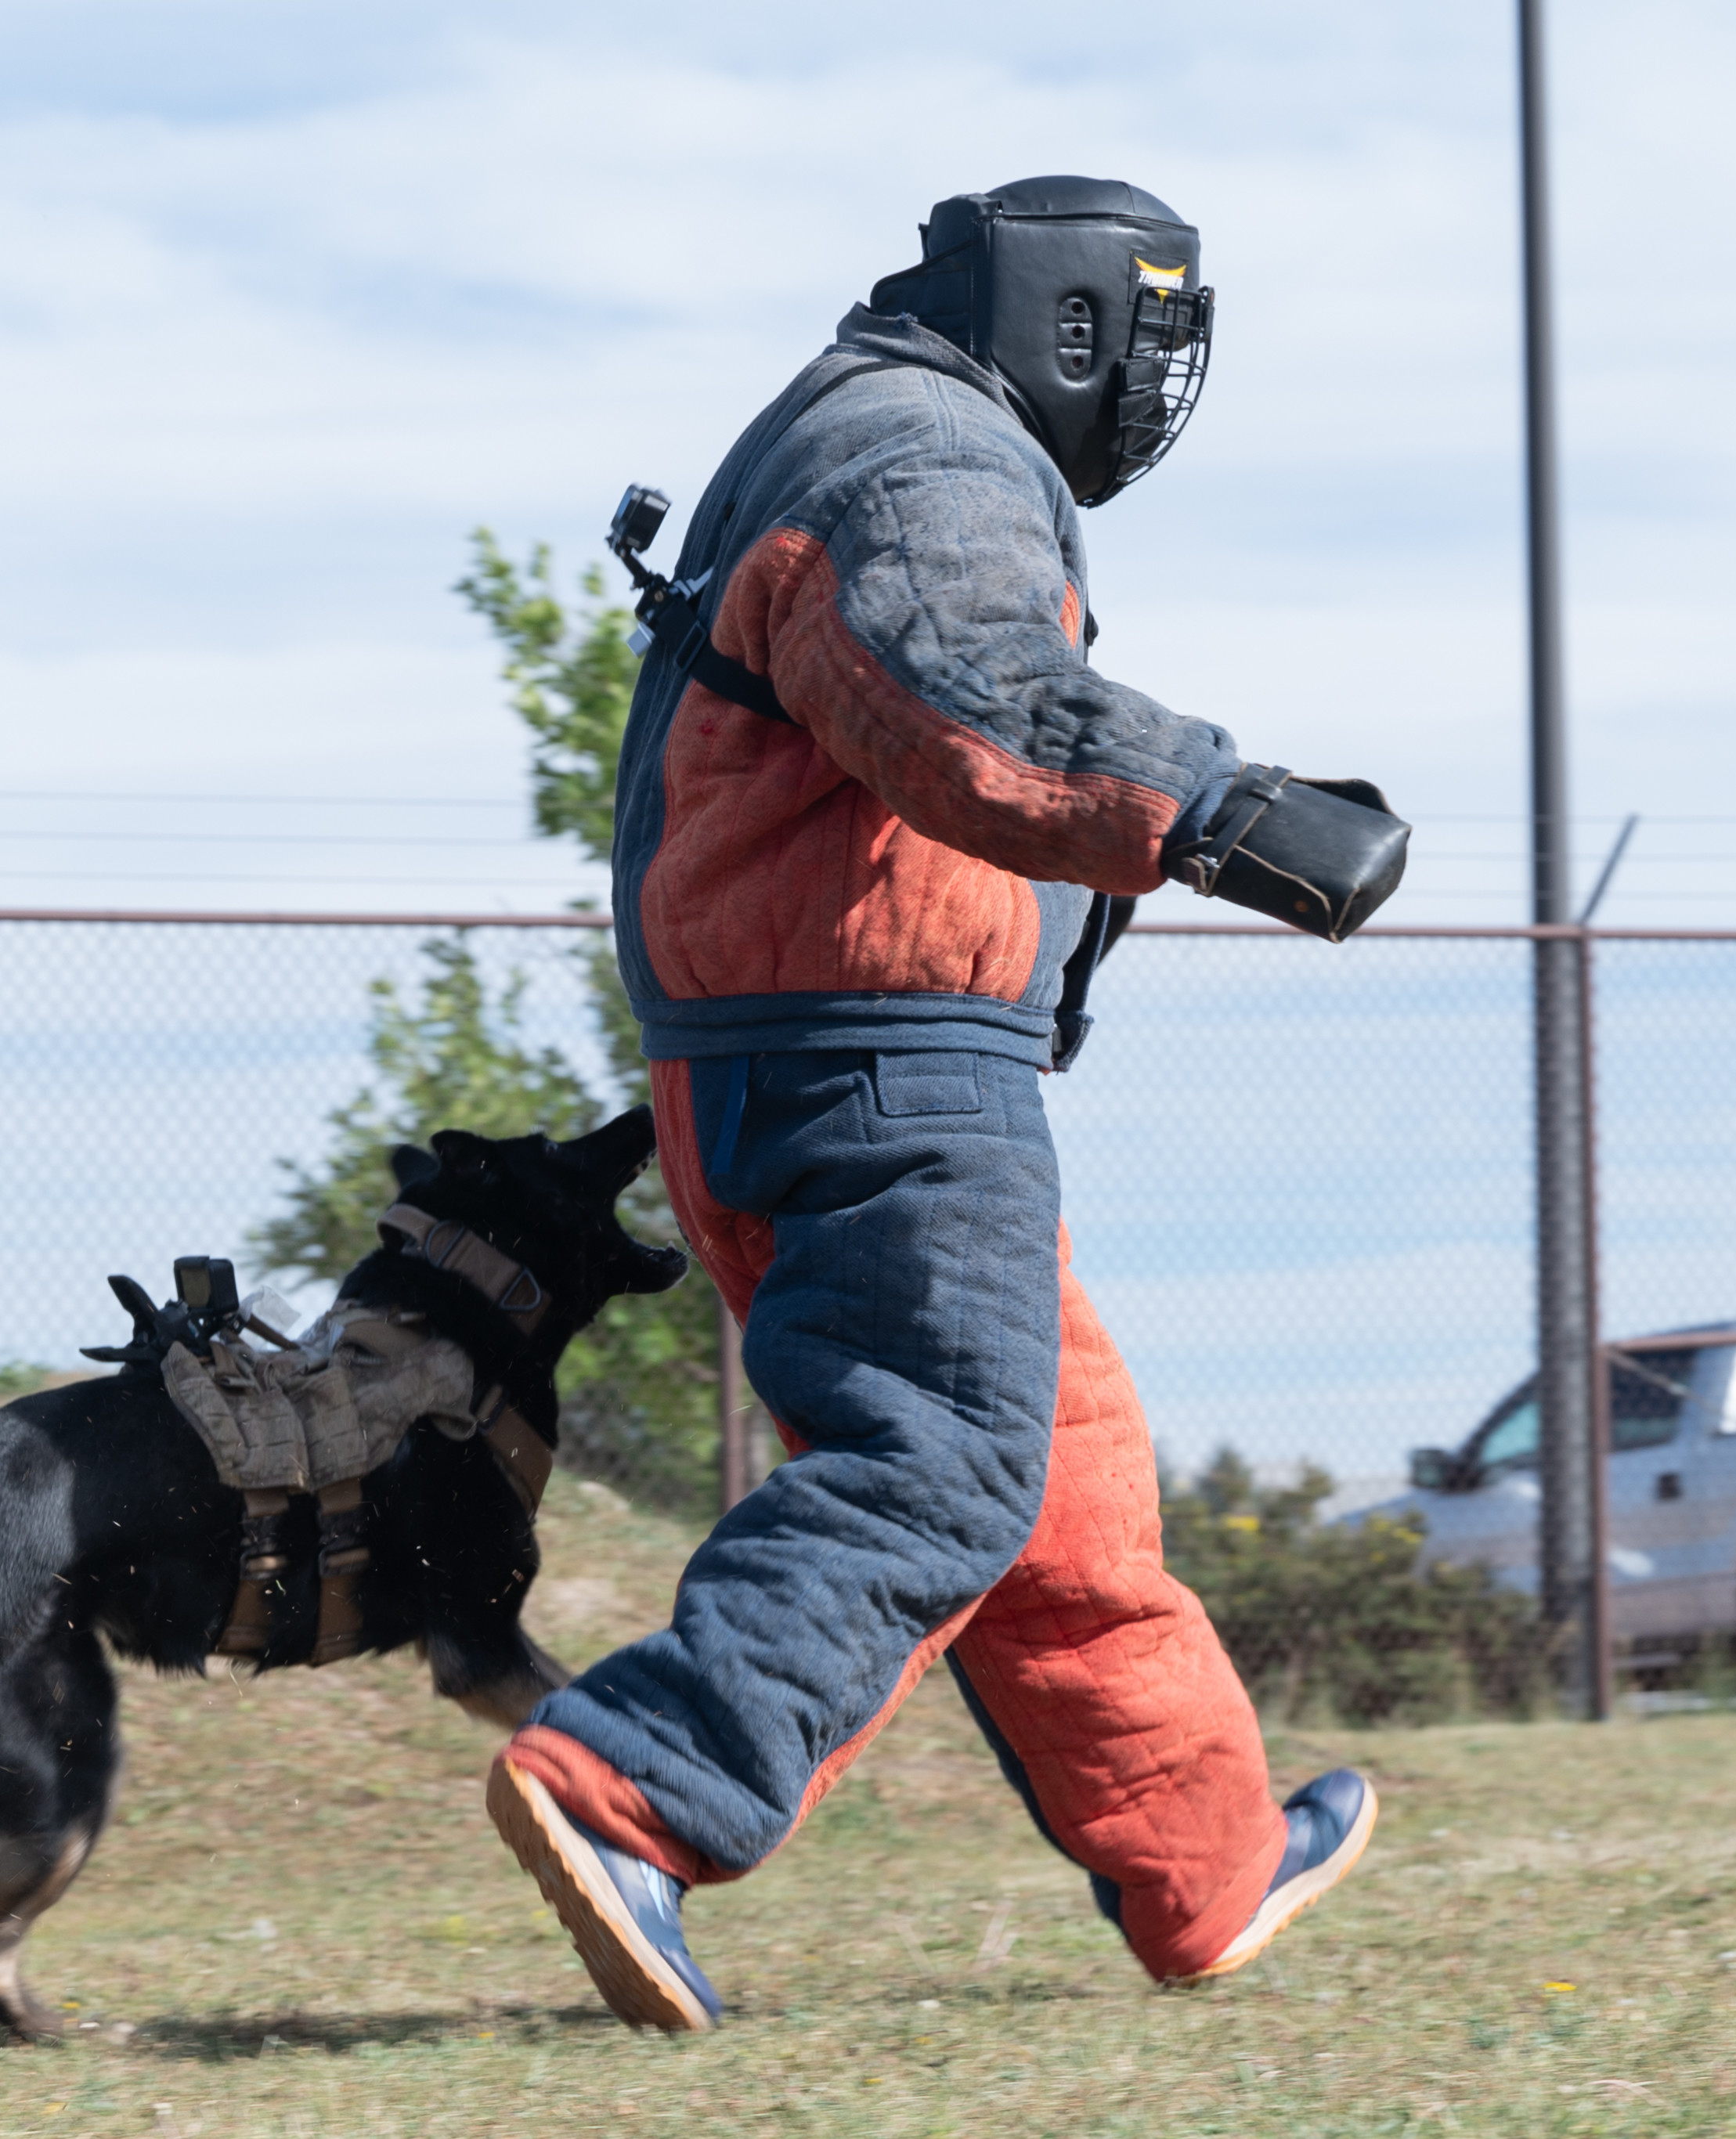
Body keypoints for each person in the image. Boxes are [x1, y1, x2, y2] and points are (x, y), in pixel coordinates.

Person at [483, 175, 1409, 2031]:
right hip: (878, 1058)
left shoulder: (870, 427)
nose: (1161, 386)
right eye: (1151, 339)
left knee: (1060, 1498)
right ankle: (644, 1787)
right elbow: (959, 685)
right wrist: (1218, 806)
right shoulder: (925, 452)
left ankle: (1204, 1863)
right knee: (947, 1463)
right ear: (1072, 321)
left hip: (813, 1050)